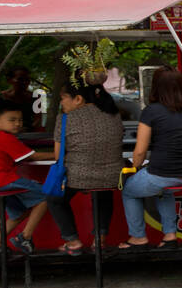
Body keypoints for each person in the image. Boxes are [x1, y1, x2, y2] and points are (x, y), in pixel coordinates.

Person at [119, 68, 182, 248]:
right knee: (164, 190)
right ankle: (170, 236)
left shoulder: (152, 111)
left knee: (128, 190)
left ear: (156, 87)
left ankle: (137, 237)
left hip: (163, 173)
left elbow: (140, 152)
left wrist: (135, 168)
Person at [47, 80, 125, 254]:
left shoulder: (65, 119)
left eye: (63, 98)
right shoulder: (114, 114)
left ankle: (72, 241)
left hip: (78, 176)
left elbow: (58, 154)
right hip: (113, 176)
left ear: (78, 99)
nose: (61, 102)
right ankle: (100, 239)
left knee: (54, 199)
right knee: (103, 191)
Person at [0, 100, 54, 256]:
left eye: (19, 120)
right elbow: (33, 156)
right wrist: (60, 154)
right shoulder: (4, 137)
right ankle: (24, 237)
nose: (17, 124)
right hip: (3, 180)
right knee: (47, 194)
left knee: (19, 213)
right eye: (12, 120)